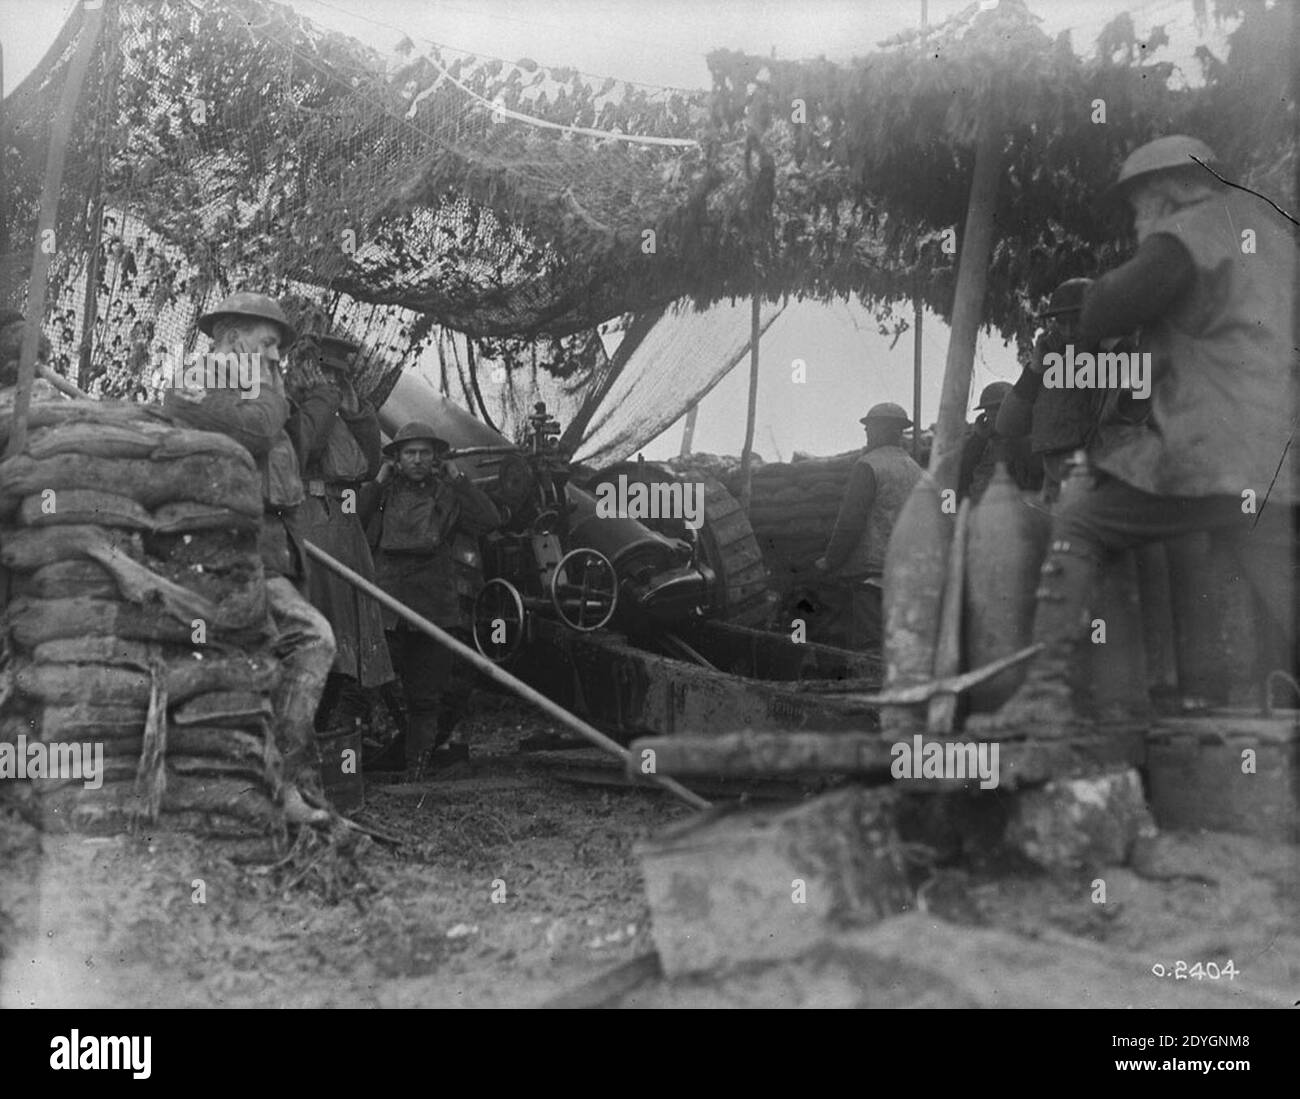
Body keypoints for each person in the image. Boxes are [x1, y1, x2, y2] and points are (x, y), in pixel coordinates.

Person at [971, 135, 1297, 737]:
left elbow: (1106, 311)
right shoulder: (1278, 239)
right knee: (1284, 580)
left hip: (1214, 449)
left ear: (1165, 189)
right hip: (1280, 458)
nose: (1137, 216)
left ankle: (1043, 696)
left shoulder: (1189, 232)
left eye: (1139, 202)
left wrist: (1100, 302)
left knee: (1081, 521)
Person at [163, 291, 335, 825]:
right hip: (220, 554)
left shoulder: (257, 388)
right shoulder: (199, 380)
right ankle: (281, 786)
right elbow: (257, 430)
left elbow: (287, 462)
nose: (276, 358)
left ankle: (295, 791)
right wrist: (271, 387)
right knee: (312, 640)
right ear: (233, 338)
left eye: (278, 349)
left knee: (276, 660)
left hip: (269, 556)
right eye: (267, 344)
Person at [360, 421, 502, 777]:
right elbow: (352, 518)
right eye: (410, 453)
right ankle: (347, 767)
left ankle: (416, 770)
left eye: (425, 453)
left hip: (433, 607)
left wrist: (458, 479)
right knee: (361, 686)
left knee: (426, 696)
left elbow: (490, 519)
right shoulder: (382, 495)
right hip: (386, 606)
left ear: (436, 458)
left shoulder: (449, 493)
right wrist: (377, 482)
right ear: (397, 458)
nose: (418, 460)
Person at [286, 334, 394, 733]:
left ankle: (340, 727)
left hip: (345, 522)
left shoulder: (338, 406)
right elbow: (304, 447)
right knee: (321, 625)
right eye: (325, 370)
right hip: (310, 517)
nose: (332, 379)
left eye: (338, 373)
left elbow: (367, 465)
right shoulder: (294, 406)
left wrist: (356, 410)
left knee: (354, 624)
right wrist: (323, 397)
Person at [997, 278, 1143, 505]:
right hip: (1057, 493)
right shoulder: (1053, 369)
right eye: (1061, 322)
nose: (1069, 331)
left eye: (1077, 321)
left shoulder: (1124, 361)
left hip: (1105, 495)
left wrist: (1118, 348)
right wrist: (1035, 369)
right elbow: (1007, 424)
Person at [815, 402, 923, 650]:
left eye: (869, 429)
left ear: (879, 430)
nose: (867, 435)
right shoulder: (917, 471)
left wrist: (830, 561)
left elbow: (850, 523)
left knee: (871, 647)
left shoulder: (868, 466)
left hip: (873, 578)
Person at [958, 380, 1039, 502]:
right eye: (988, 409)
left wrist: (1012, 434)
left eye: (998, 408)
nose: (992, 414)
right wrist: (978, 439)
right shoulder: (981, 442)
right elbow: (961, 475)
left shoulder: (1029, 440)